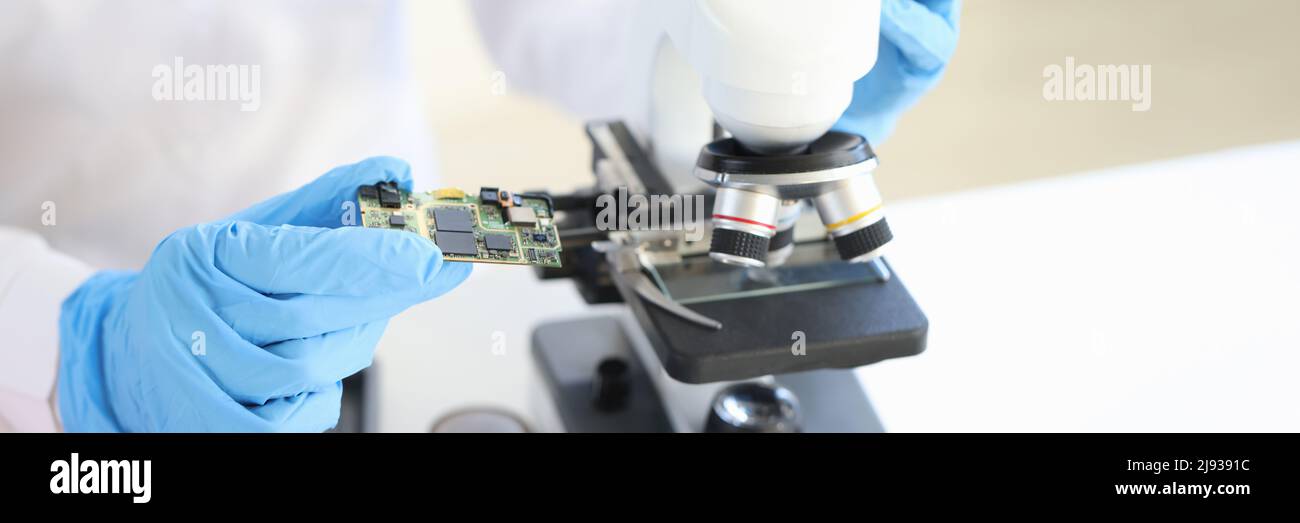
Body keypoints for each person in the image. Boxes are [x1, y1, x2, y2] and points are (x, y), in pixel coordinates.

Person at [0, 0, 960, 432]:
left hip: (368, 292)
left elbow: (558, 20)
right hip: (55, 324)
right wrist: (72, 352)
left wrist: (720, 45)